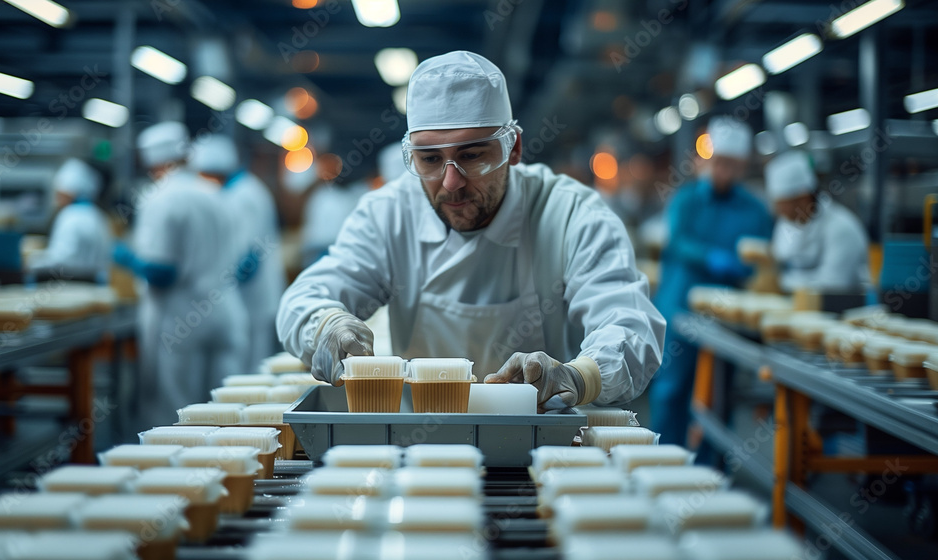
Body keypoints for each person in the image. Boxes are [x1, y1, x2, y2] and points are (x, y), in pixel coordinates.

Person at [277, 51, 665, 409]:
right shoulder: (388, 214)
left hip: (541, 439)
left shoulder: (569, 214)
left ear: (513, 149)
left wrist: (579, 377)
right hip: (420, 441)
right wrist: (326, 325)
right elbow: (305, 298)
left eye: (472, 155)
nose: (451, 182)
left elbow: (630, 326)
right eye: (430, 159)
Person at [650, 116, 774, 446]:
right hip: (680, 308)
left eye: (733, 165)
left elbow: (763, 258)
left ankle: (712, 465)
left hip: (726, 316)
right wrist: (711, 257)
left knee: (718, 397)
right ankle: (664, 457)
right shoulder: (687, 199)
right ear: (708, 160)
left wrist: (749, 270)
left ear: (743, 166)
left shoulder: (755, 210)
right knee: (672, 388)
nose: (724, 172)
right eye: (719, 163)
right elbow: (676, 240)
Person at [116, 122, 246, 426]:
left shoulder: (161, 198)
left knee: (176, 417)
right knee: (226, 415)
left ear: (152, 162)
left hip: (181, 319)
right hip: (225, 313)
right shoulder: (217, 194)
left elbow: (161, 273)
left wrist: (125, 258)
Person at [189, 135, 286, 372]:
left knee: (252, 368)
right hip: (250, 296)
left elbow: (246, 253)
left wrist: (220, 284)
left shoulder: (242, 196)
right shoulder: (244, 189)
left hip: (252, 295)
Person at [766, 150, 869, 293]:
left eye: (783, 206)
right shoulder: (786, 223)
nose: (779, 212)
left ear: (803, 198)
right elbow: (781, 259)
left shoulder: (841, 229)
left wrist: (780, 283)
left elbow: (833, 285)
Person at [28, 158, 113, 283]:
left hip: (70, 285)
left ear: (70, 193)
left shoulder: (70, 216)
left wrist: (32, 261)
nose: (57, 200)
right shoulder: (98, 215)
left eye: (60, 194)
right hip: (95, 285)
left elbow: (61, 260)